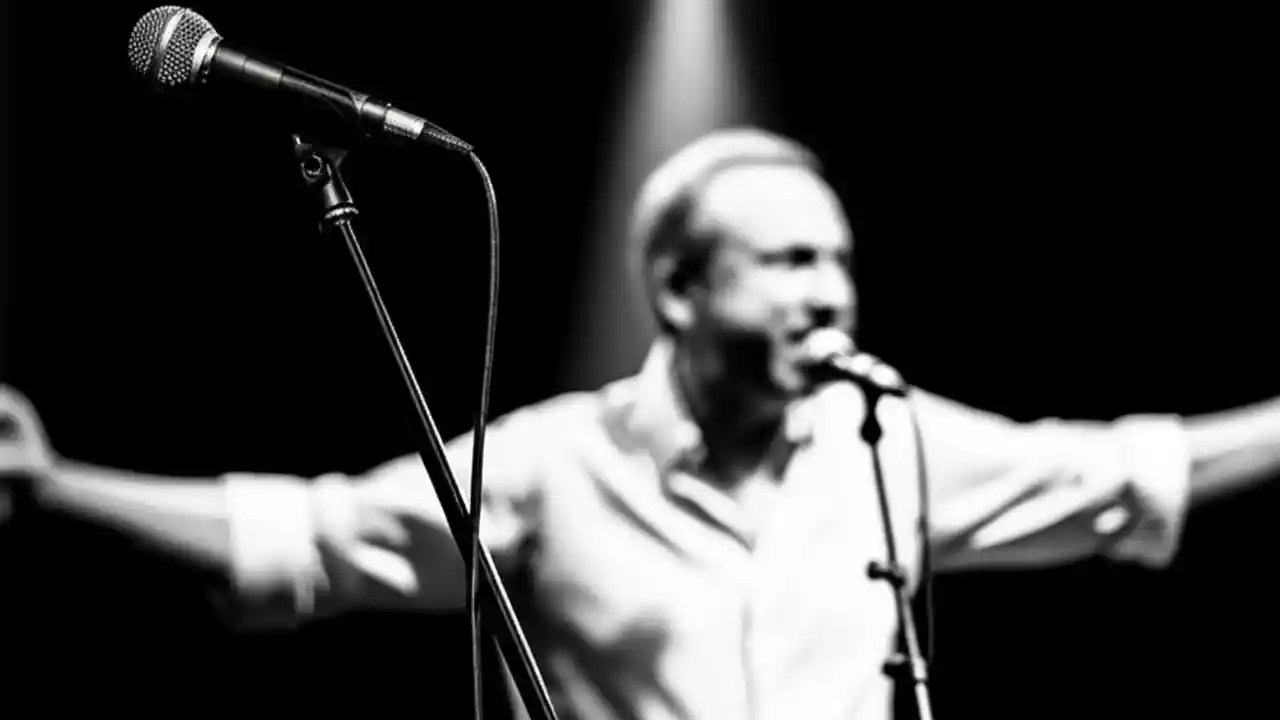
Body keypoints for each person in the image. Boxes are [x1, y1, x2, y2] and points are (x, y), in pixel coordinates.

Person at [3, 127, 1280, 720]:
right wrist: (57, 488)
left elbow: (1121, 472)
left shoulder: (883, 437)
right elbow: (308, 536)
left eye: (833, 261)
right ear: (678, 287)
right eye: (783, 261)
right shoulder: (553, 465)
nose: (826, 291)